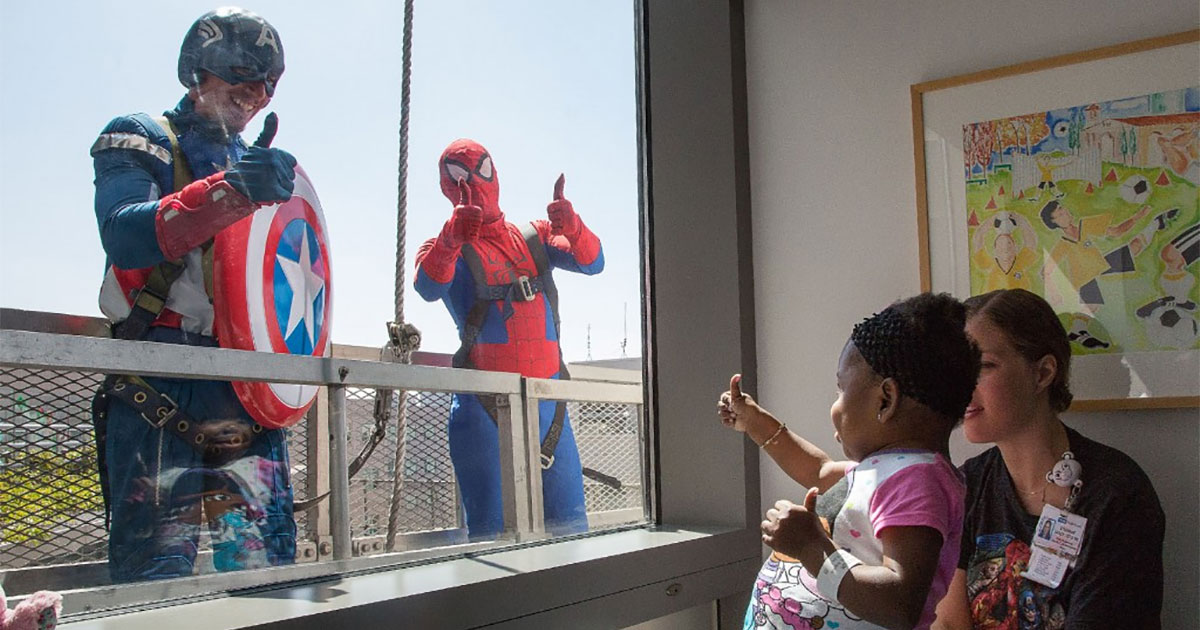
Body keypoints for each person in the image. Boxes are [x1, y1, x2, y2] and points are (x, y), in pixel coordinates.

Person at [90, 7, 298, 581]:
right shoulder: (143, 138)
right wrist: (227, 194)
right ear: (197, 70)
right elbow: (125, 234)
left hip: (245, 383)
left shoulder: (262, 169)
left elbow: (287, 285)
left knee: (266, 574)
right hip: (157, 376)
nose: (254, 93)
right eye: (242, 72)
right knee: (156, 582)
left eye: (267, 82)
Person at [719, 293, 981, 630]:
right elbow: (818, 470)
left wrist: (812, 547)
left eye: (842, 389)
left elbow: (901, 604)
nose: (836, 406)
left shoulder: (916, 481)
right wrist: (754, 421)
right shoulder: (889, 470)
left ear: (886, 400)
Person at [933, 288, 1165, 628]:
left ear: (1042, 373)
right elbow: (948, 623)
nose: (963, 386)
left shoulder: (1116, 495)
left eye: (983, 366)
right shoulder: (967, 486)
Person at [414, 139, 604, 538]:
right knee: (490, 536)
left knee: (571, 527)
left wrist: (574, 226)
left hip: (549, 404)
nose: (472, 184)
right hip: (483, 406)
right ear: (447, 187)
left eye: (480, 171)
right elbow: (428, 286)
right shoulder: (444, 246)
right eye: (458, 177)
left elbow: (593, 263)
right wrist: (452, 240)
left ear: (494, 172)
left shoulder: (534, 237)